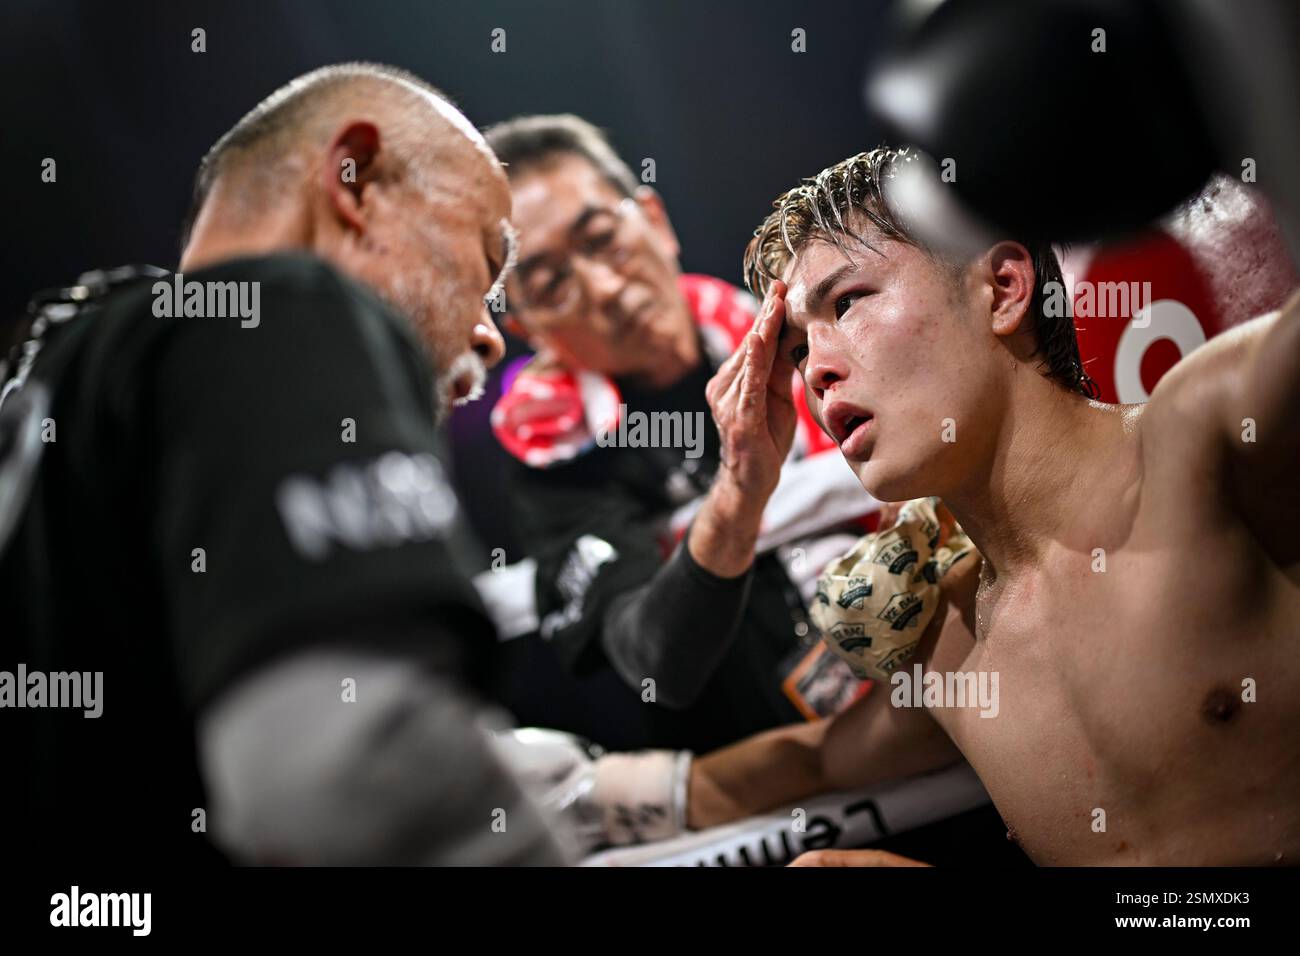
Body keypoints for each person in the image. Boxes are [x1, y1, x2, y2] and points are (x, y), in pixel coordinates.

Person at [0, 63, 570, 866]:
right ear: (355, 180)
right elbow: (352, 775)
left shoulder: (76, 384)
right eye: (486, 261)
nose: (491, 334)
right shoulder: (283, 307)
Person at [685, 147, 1300, 865]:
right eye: (795, 350)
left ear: (1004, 288)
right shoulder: (948, 642)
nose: (816, 371)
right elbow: (816, 765)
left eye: (847, 302)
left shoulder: (1209, 434)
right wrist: (586, 796)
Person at [479, 114, 878, 754]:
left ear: (655, 222)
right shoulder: (556, 462)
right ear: (527, 329)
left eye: (603, 238)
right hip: (777, 797)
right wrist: (740, 492)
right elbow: (656, 663)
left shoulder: (810, 332)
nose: (603, 288)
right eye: (551, 282)